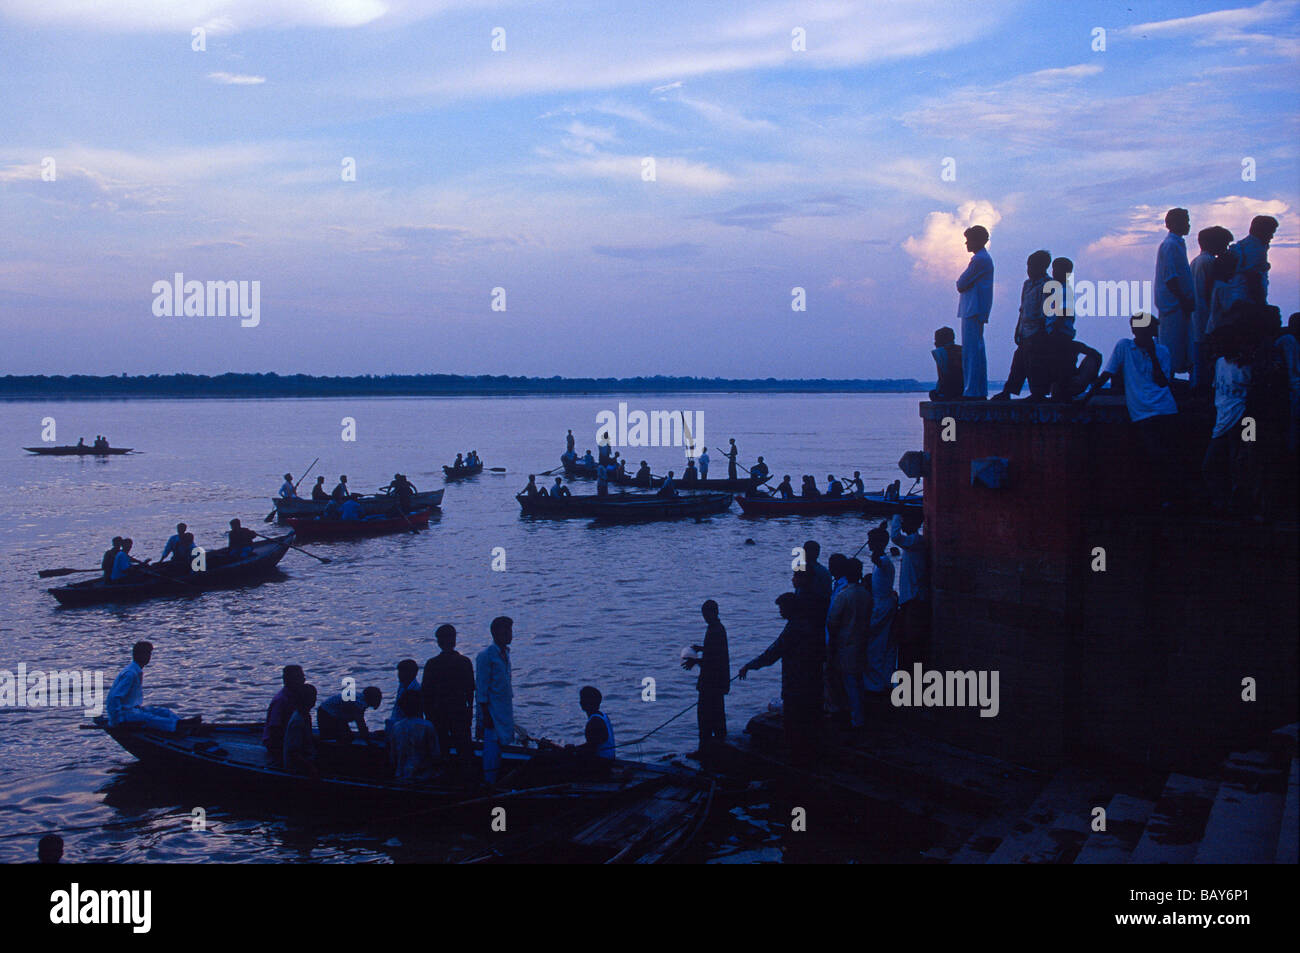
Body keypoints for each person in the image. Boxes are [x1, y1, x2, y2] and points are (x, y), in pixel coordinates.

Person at [1086, 313, 1180, 506]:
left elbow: (1163, 382)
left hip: (1166, 409)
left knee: (1167, 456)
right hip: (1143, 412)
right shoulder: (1124, 347)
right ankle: (1162, 498)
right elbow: (1107, 373)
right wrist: (1086, 397)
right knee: (1154, 456)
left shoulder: (1162, 351)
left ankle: (1169, 498)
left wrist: (1153, 355)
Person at [737, 584, 825, 766]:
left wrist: (749, 666)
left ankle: (797, 759)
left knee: (793, 723)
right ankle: (809, 755)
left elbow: (772, 654)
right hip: (812, 680)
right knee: (808, 721)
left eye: (781, 608)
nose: (780, 612)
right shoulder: (808, 625)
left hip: (796, 683)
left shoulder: (793, 629)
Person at [1201, 324, 1257, 517]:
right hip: (1222, 421)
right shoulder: (1220, 363)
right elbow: (1217, 391)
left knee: (1241, 464)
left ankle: (1239, 506)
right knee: (1211, 465)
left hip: (1242, 419)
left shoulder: (1249, 365)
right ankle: (1223, 504)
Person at [991, 250, 1053, 401]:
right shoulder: (1027, 285)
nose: (1029, 270)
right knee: (1018, 361)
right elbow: (1022, 309)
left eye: (1033, 266)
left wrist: (1041, 333)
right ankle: (1008, 391)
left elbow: (1047, 313)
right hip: (1025, 331)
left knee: (1035, 364)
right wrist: (1017, 329)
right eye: (1028, 266)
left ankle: (1037, 393)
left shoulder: (1048, 285)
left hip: (1038, 332)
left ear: (1043, 267)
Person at [828, 557, 872, 728]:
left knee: (850, 683)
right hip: (861, 642)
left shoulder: (844, 595)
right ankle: (859, 717)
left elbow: (832, 622)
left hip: (845, 645)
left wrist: (831, 644)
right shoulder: (865, 594)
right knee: (858, 682)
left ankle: (856, 720)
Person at [682, 600, 730, 753]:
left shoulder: (715, 630)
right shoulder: (717, 628)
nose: (704, 617)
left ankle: (705, 750)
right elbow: (715, 651)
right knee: (717, 714)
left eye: (705, 614)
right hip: (718, 682)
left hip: (711, 683)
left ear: (711, 613)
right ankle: (718, 746)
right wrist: (701, 648)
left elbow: (714, 658)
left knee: (705, 716)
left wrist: (695, 661)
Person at [422, 624, 475, 760]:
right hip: (459, 711)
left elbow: (425, 693)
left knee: (441, 749)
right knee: (464, 749)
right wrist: (469, 711)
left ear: (439, 642)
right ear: (454, 640)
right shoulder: (464, 662)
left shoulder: (432, 664)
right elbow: (470, 690)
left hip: (438, 712)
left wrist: (428, 715)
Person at [105, 641, 183, 733]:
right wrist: (117, 721)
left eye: (149, 653)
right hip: (125, 714)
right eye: (147, 653)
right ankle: (178, 727)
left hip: (134, 710)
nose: (149, 657)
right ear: (138, 655)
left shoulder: (135, 671)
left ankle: (181, 723)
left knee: (164, 712)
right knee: (151, 719)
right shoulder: (130, 674)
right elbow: (114, 698)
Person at [955, 224, 994, 399]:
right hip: (975, 308)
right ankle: (976, 389)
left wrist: (966, 285)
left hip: (973, 308)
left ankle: (972, 390)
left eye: (969, 240)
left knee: (972, 351)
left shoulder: (980, 260)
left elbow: (961, 283)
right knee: (975, 350)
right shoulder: (982, 259)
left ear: (978, 241)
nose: (966, 243)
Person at [1156, 208, 1196, 375]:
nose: (1188, 225)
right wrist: (1183, 300)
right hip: (1173, 306)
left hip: (1178, 305)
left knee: (1179, 345)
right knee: (1171, 346)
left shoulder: (1176, 243)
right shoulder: (1170, 245)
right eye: (1184, 221)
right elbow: (1171, 278)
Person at [476, 616, 515, 784]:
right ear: (495, 633)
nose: (509, 634)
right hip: (492, 711)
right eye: (505, 630)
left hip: (504, 708)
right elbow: (482, 688)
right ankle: (489, 781)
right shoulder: (486, 656)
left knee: (504, 742)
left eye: (510, 630)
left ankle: (499, 777)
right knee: (491, 745)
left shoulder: (505, 653)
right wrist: (485, 715)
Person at [1190, 227, 1229, 392]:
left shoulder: (1196, 261)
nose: (1226, 248)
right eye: (1224, 243)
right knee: (1205, 361)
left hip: (1196, 318)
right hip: (1205, 318)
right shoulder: (1209, 262)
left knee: (1198, 359)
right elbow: (1209, 294)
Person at [891, 511, 930, 670]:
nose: (903, 526)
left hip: (914, 598)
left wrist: (896, 516)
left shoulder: (915, 541)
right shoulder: (913, 543)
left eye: (906, 523)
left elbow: (895, 537)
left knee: (911, 638)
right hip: (911, 598)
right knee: (908, 637)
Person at [863, 525, 898, 699]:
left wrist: (878, 536)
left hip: (882, 606)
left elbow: (876, 557)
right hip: (884, 604)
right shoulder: (884, 561)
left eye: (871, 542)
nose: (868, 545)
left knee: (875, 646)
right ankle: (885, 682)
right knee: (884, 645)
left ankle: (875, 685)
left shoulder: (883, 561)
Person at [387, 691, 442, 782]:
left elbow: (393, 757)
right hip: (423, 777)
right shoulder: (427, 726)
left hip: (401, 775)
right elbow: (435, 755)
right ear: (420, 706)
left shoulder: (396, 727)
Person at [1226, 215, 1278, 309]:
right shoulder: (1255, 249)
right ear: (1261, 231)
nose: (1271, 237)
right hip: (1247, 301)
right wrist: (1261, 305)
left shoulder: (1245, 245)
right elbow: (1253, 277)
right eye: (1270, 232)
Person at [263, 664, 306, 756]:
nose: (303, 680)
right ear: (288, 680)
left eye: (302, 676)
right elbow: (275, 729)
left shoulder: (296, 695)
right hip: (277, 742)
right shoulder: (281, 700)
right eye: (298, 677)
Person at [316, 686, 382, 743]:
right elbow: (360, 723)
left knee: (347, 736)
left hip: (336, 714)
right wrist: (368, 741)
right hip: (326, 713)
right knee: (335, 737)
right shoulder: (359, 703)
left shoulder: (360, 698)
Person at [283, 683, 319, 777]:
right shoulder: (298, 721)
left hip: (308, 757)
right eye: (313, 697)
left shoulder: (305, 716)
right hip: (297, 768)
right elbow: (293, 753)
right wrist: (311, 769)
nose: (315, 700)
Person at [929, 326, 964, 400]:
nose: (935, 343)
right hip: (963, 390)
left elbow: (943, 378)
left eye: (936, 339)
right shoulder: (963, 350)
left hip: (950, 391)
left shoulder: (940, 352)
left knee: (932, 393)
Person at [386, 659, 421, 731]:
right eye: (399, 672)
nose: (399, 675)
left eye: (402, 672)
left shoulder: (415, 690)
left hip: (406, 728)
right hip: (396, 724)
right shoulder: (402, 685)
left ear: (411, 673)